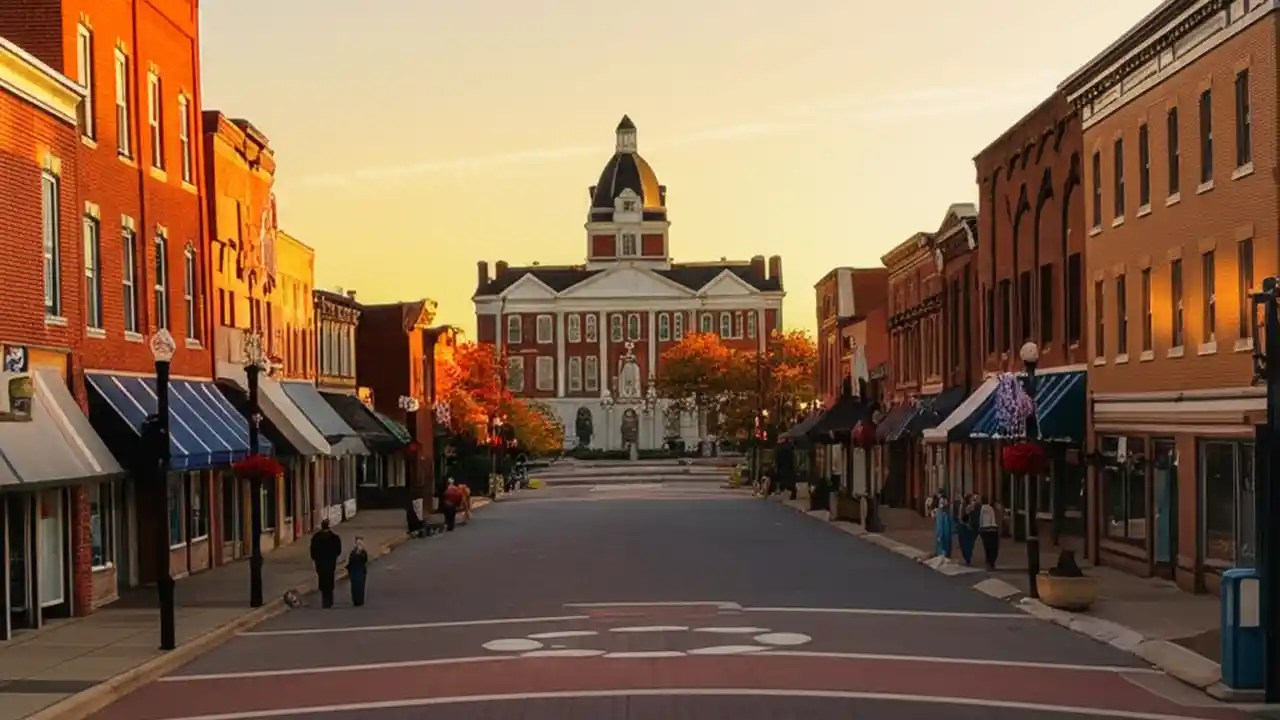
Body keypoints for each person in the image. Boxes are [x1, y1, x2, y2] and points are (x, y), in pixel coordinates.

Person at [309, 519, 342, 608]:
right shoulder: (334, 538)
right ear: (329, 526)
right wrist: (334, 556)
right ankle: (329, 600)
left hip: (320, 563)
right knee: (330, 580)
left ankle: (325, 600)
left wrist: (315, 558)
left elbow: (312, 550)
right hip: (330, 563)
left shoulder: (316, 537)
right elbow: (338, 550)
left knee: (322, 580)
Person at [978, 496, 1001, 570]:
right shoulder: (992, 509)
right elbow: (997, 520)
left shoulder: (982, 509)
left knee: (987, 547)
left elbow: (980, 520)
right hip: (993, 530)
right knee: (993, 548)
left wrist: (981, 528)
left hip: (985, 530)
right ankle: (991, 563)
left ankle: (988, 562)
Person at [957, 494, 979, 565]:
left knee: (967, 544)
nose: (973, 500)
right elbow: (961, 517)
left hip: (968, 528)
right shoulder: (966, 506)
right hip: (965, 527)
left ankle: (967, 557)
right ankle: (967, 557)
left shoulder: (970, 506)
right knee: (966, 544)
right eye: (972, 499)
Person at [347, 536, 369, 607]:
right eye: (357, 543)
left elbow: (365, 560)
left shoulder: (363, 552)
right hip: (354, 572)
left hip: (360, 571)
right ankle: (355, 600)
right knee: (354, 587)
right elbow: (350, 561)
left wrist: (361, 552)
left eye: (360, 543)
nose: (359, 544)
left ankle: (360, 600)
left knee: (360, 586)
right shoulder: (353, 552)